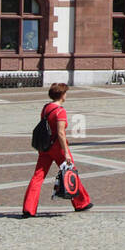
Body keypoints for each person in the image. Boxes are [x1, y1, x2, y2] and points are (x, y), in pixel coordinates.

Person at [23, 82, 92, 217]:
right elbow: (61, 133)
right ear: (61, 95)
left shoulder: (46, 108)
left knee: (38, 176)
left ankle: (29, 208)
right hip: (57, 147)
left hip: (45, 146)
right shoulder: (60, 111)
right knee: (70, 173)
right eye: (65, 93)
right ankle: (81, 202)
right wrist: (66, 152)